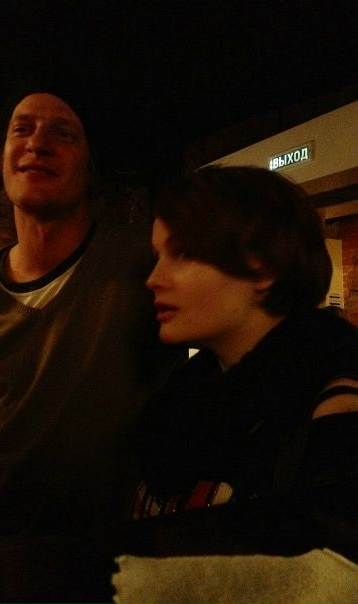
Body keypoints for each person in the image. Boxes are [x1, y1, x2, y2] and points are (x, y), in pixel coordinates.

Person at [0, 82, 180, 556]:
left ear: (90, 168)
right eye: (21, 129)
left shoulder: (143, 264)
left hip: (103, 544)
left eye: (63, 133)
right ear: (1, 158)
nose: (37, 143)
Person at [129, 165, 358, 561]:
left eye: (183, 253)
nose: (153, 279)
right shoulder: (184, 399)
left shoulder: (336, 410)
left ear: (263, 266)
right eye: (157, 256)